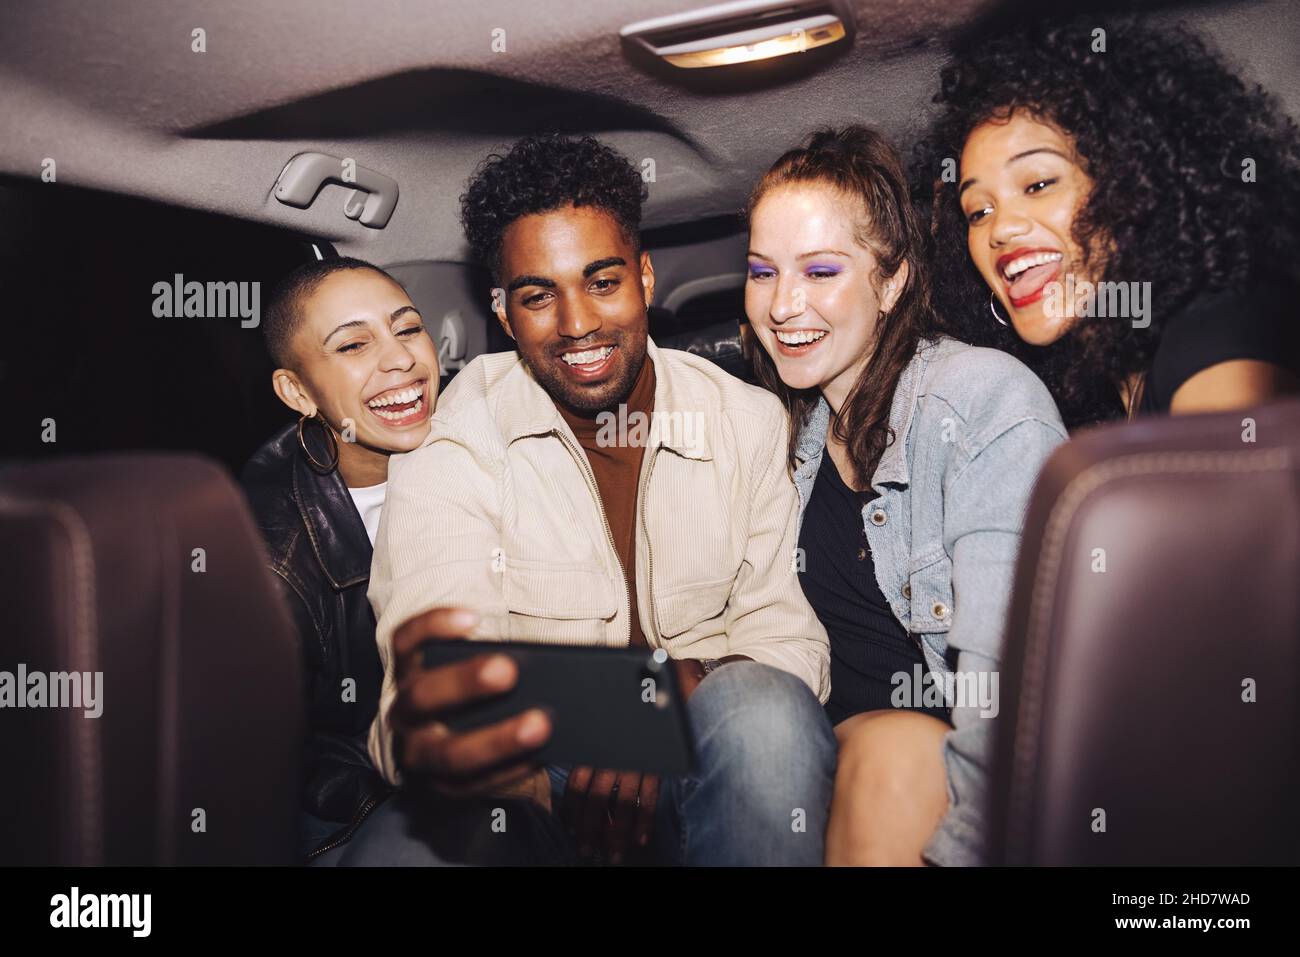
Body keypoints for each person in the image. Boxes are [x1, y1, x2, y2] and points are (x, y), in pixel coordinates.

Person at [365, 133, 836, 866]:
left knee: (766, 716)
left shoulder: (745, 420)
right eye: (537, 295)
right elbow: (429, 679)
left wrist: (685, 688)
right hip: (536, 785)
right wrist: (616, 714)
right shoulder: (454, 441)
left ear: (644, 277)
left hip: (710, 759)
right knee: (403, 846)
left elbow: (791, 642)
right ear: (504, 312)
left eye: (603, 281)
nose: (578, 322)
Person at [742, 126, 1067, 865]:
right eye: (763, 272)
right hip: (820, 770)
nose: (784, 304)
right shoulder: (781, 440)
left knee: (897, 745)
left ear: (890, 282)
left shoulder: (981, 403)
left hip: (935, 785)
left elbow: (1013, 697)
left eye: (821, 270)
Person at [244, 258, 562, 864]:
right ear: (298, 392)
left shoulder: (497, 442)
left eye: (407, 328)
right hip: (359, 810)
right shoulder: (273, 554)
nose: (398, 360)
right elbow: (267, 764)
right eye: (354, 345)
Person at [919, 14, 1300, 428]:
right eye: (979, 211)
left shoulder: (1216, 328)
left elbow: (1232, 474)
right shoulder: (1110, 382)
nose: (1001, 228)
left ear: (1136, 183)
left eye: (1039, 184)